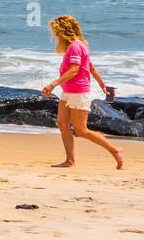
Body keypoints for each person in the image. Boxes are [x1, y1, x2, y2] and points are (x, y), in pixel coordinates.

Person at [42, 15, 124, 169]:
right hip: (68, 91)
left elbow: (75, 70)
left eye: (57, 32)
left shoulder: (75, 46)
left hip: (78, 92)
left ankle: (115, 151)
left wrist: (52, 84)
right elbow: (90, 67)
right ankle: (70, 161)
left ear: (64, 30)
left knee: (81, 130)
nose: (56, 35)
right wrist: (102, 85)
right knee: (62, 123)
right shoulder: (77, 46)